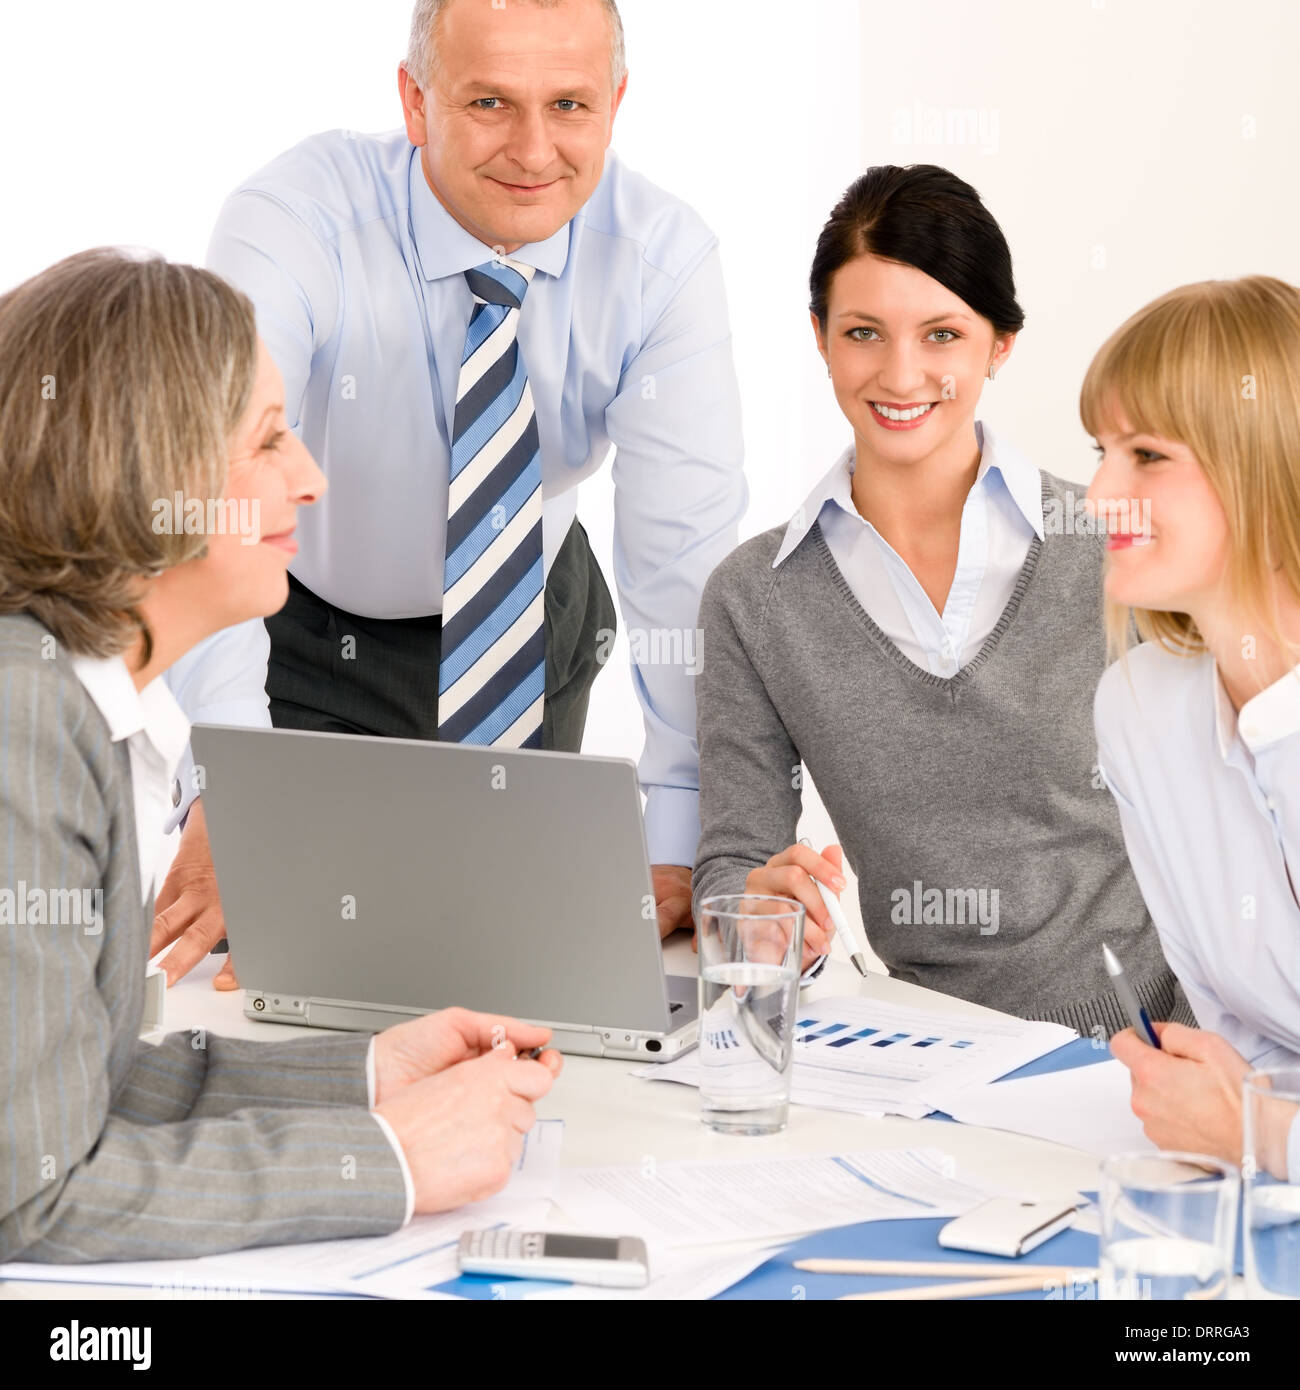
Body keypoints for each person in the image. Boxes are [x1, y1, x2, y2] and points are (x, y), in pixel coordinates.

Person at [150, 0, 746, 988]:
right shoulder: (294, 220)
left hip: (530, 618)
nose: (533, 148)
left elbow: (682, 560)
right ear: (414, 101)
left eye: (569, 105)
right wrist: (230, 779)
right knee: (294, 961)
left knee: (503, 948)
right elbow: (216, 483)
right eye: (488, 102)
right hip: (310, 624)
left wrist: (679, 819)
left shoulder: (663, 262)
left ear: (617, 103)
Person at [0, 249, 561, 1262]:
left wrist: (367, 1075)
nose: (309, 478)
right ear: (143, 472)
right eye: (267, 441)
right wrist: (384, 1158)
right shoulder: (21, 722)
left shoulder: (69, 700)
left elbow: (83, 1079)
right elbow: (31, 1195)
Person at [692, 165, 1187, 1035]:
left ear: (1001, 344)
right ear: (820, 338)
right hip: (920, 1047)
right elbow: (735, 860)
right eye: (864, 332)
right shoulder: (753, 598)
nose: (901, 372)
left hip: (1147, 1039)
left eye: (943, 335)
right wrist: (765, 919)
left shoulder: (1117, 545)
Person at [1088, 275, 1300, 1180]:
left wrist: (1259, 1137)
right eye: (1099, 450)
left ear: (1261, 459)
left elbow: (1256, 1112)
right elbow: (1242, 1044)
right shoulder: (1139, 709)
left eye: (1145, 455)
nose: (1098, 494)